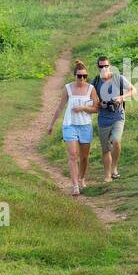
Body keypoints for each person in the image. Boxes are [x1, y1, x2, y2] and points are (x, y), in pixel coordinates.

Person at [48, 59, 101, 196]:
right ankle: (75, 186)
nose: (82, 78)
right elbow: (60, 107)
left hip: (85, 126)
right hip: (69, 125)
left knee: (84, 157)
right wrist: (51, 124)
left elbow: (96, 108)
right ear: (74, 76)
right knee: (73, 155)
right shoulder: (68, 88)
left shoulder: (91, 89)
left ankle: (82, 178)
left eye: (84, 76)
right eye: (79, 76)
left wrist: (83, 108)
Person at [93, 55, 133, 182]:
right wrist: (100, 104)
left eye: (106, 65)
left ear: (109, 66)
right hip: (103, 118)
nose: (104, 68)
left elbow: (133, 90)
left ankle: (114, 168)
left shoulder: (118, 78)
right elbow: (93, 101)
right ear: (97, 67)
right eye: (101, 66)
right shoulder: (95, 82)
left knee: (116, 141)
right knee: (105, 148)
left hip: (118, 116)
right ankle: (107, 175)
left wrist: (121, 98)